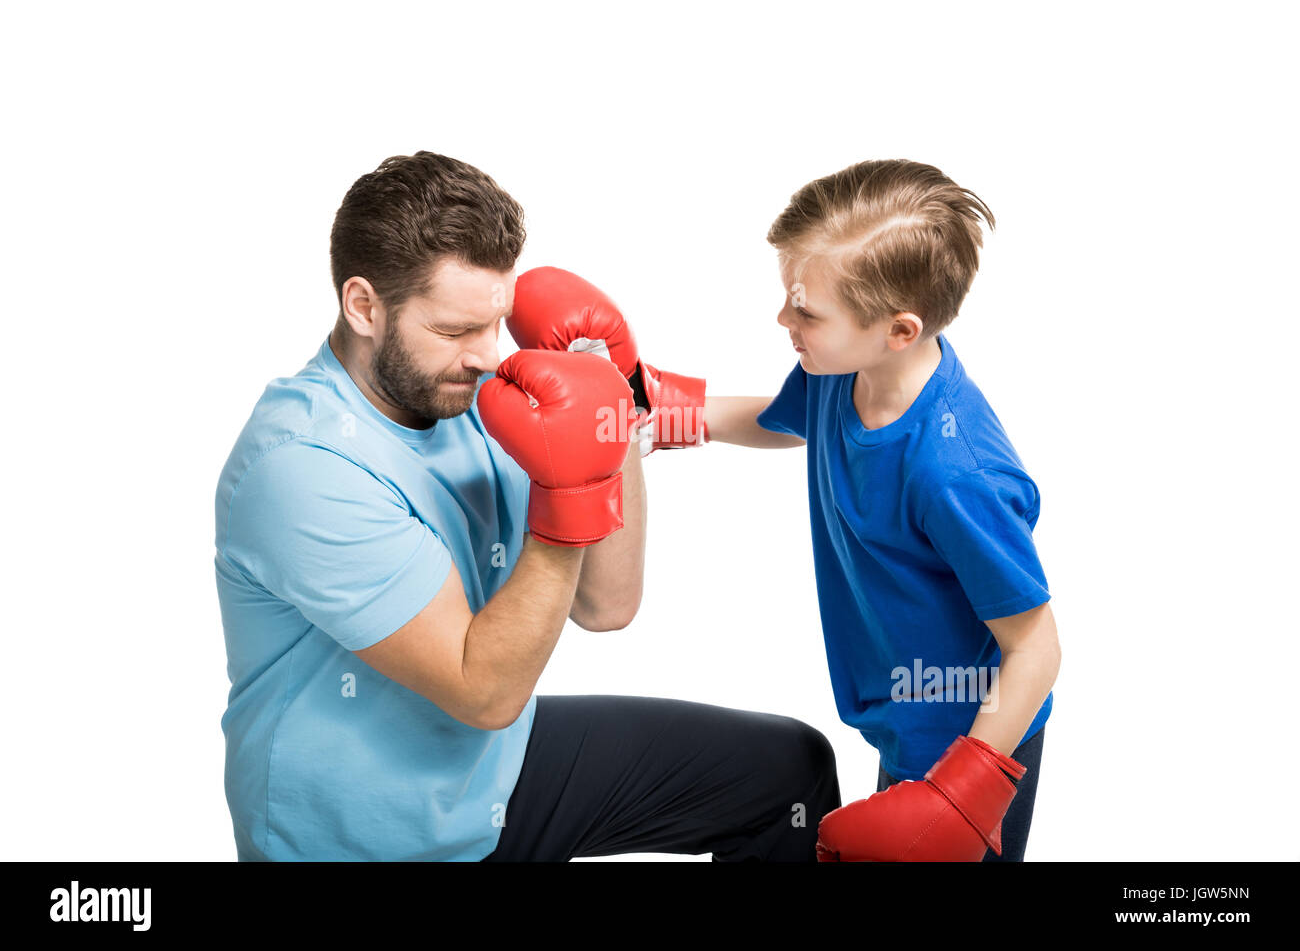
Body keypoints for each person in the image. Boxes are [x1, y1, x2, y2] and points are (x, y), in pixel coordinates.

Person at [213, 151, 839, 862]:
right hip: (368, 839)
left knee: (789, 773)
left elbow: (609, 605)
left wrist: (611, 402)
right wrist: (568, 492)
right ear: (363, 306)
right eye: (454, 331)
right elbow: (484, 691)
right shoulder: (304, 465)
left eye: (497, 323)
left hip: (490, 776)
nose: (486, 356)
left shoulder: (475, 390)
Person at [693, 159, 1061, 860]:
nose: (782, 319)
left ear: (898, 330)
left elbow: (1037, 648)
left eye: (805, 310)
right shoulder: (842, 369)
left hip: (978, 736)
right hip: (906, 716)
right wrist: (666, 414)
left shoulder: (955, 472)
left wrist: (957, 797)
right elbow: (781, 421)